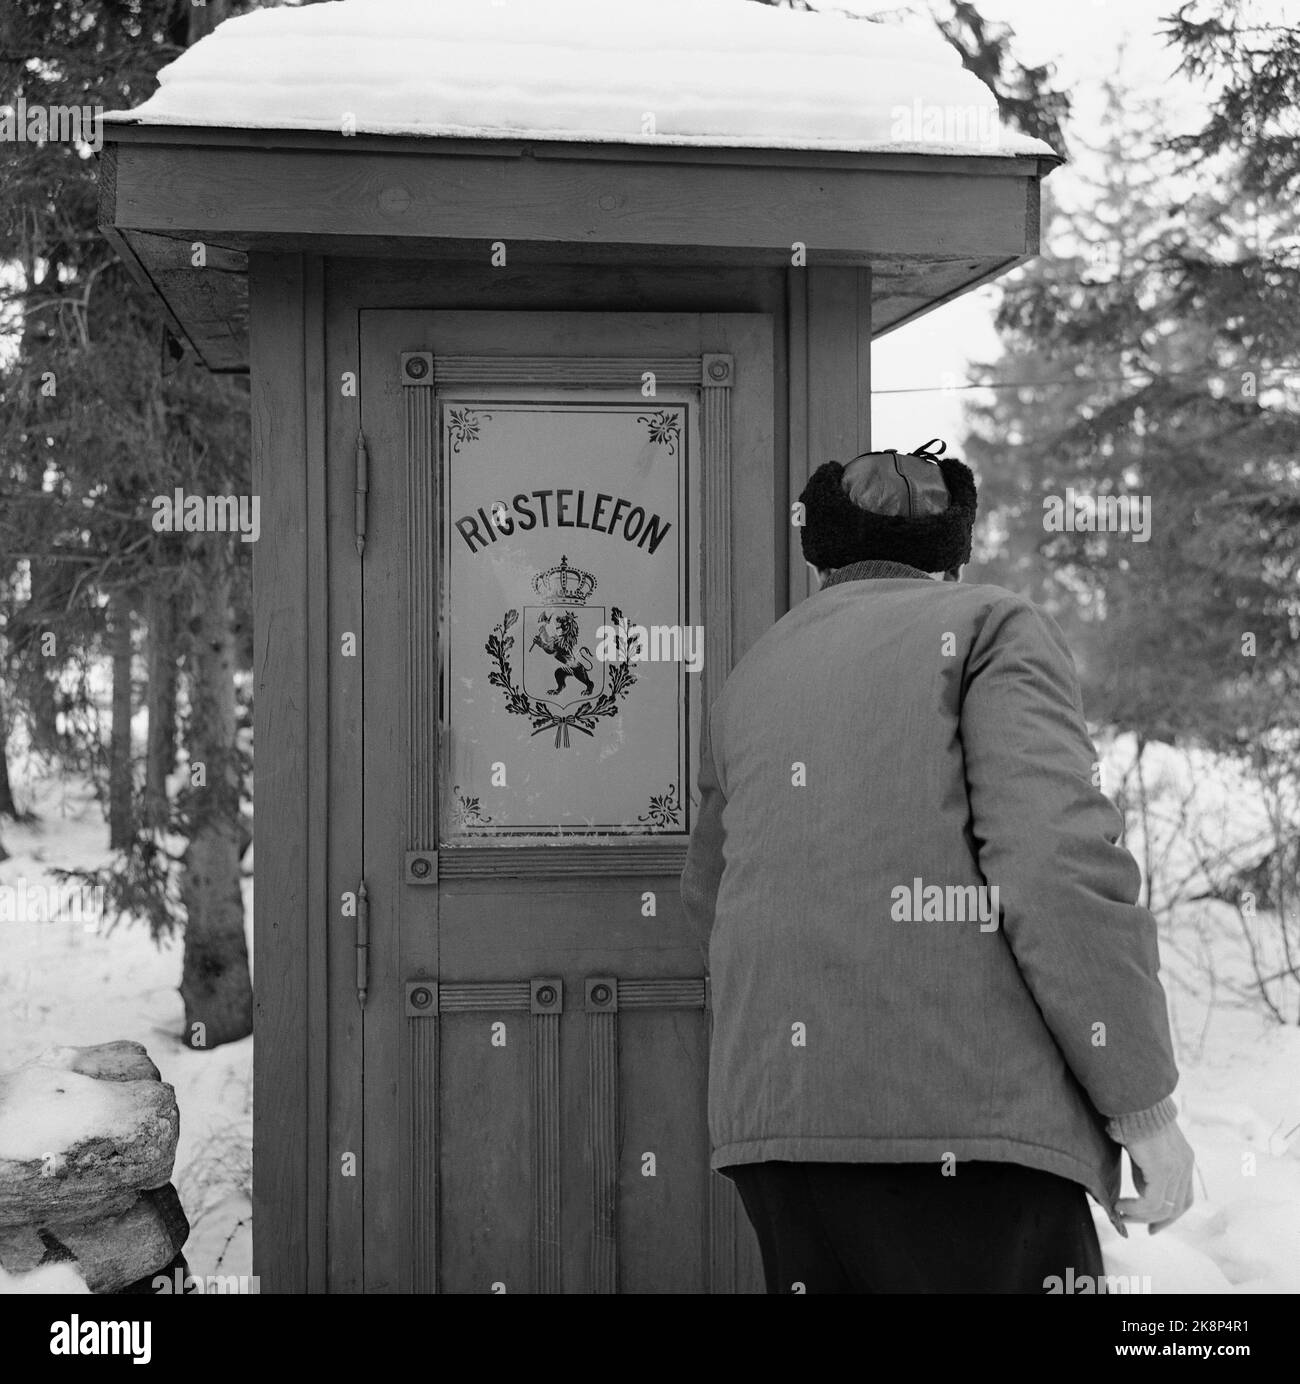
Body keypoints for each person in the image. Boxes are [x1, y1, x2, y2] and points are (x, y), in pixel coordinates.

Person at [680, 441, 1195, 1294]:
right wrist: (1143, 1105)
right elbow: (1054, 864)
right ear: (956, 549)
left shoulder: (756, 671)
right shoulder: (992, 627)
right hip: (973, 1136)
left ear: (824, 550)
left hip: (779, 1145)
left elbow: (709, 901)